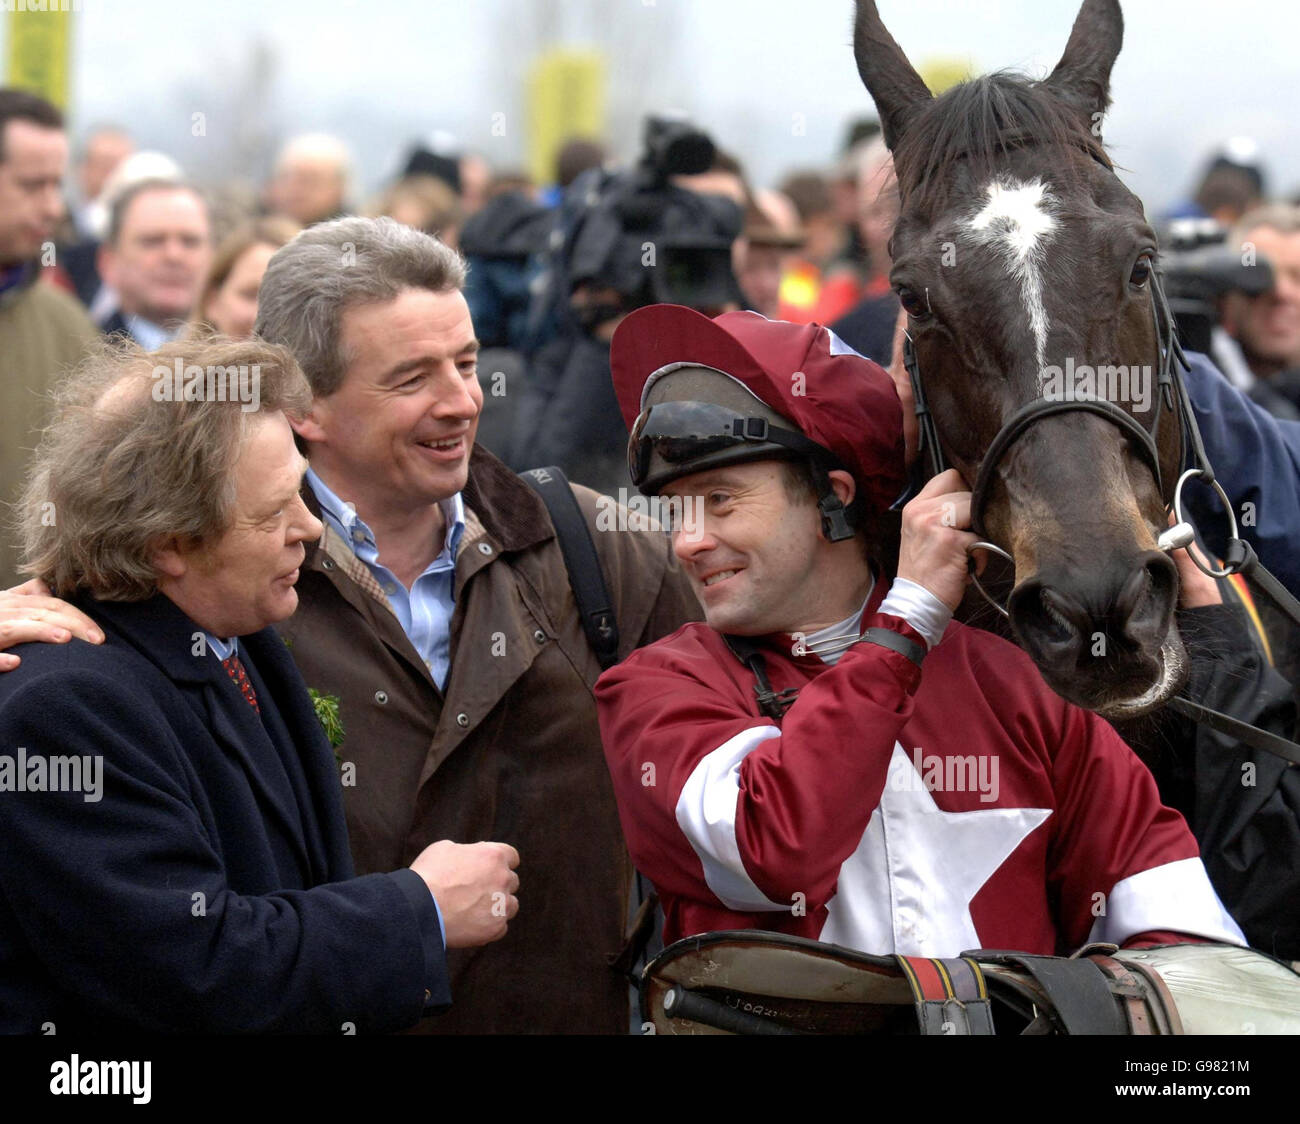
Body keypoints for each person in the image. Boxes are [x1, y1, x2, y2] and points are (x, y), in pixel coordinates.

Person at [595, 303, 1244, 955]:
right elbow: (777, 848)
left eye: (719, 501)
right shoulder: (652, 694)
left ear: (835, 494)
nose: (687, 541)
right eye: (675, 509)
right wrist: (907, 621)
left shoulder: (1014, 689)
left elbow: (1178, 924)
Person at [0, 336, 519, 1033]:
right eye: (273, 512)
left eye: (301, 495)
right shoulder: (66, 707)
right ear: (167, 543)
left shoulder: (234, 633)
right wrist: (415, 910)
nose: (309, 528)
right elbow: (190, 971)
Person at [0, 88, 100, 589]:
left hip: (40, 643)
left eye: (57, 185)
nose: (53, 207)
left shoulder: (68, 326)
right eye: (33, 185)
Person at [97, 178, 212, 346]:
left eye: (190, 242)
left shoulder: (240, 361)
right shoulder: (79, 357)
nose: (174, 255)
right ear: (109, 263)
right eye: (153, 241)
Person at [187, 216, 300, 339]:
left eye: (279, 301)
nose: (260, 319)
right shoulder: (177, 358)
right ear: (212, 301)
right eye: (250, 295)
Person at [265, 133, 351, 227]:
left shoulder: (354, 238)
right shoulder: (251, 233)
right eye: (287, 178)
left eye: (310, 181)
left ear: (339, 190)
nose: (296, 190)